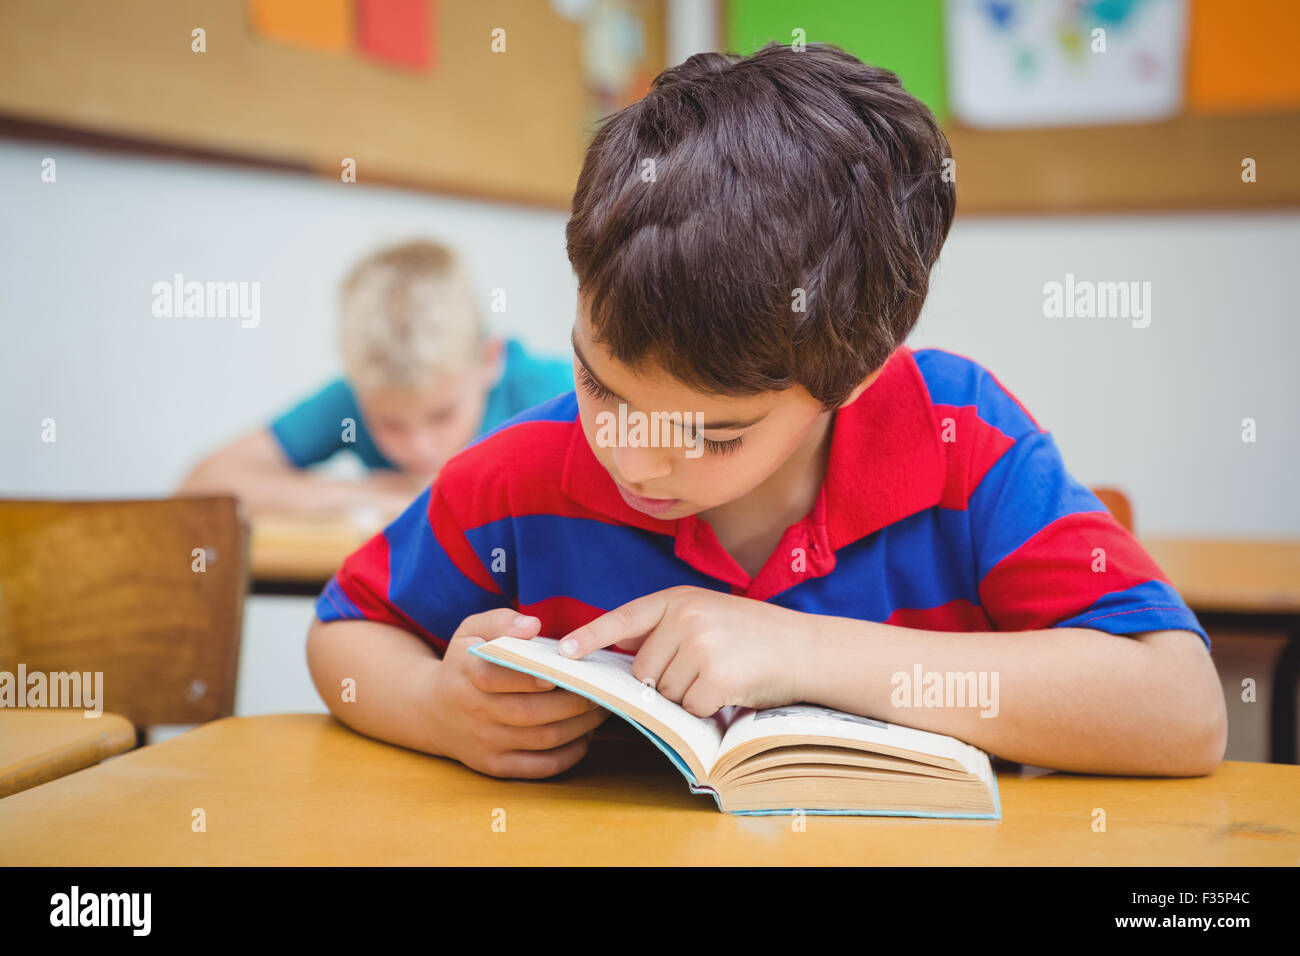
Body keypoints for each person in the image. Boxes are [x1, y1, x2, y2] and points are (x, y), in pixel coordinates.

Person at [306, 45, 1226, 782]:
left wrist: (802, 650)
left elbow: (1182, 714)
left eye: (711, 434)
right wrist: (436, 708)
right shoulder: (529, 469)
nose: (632, 459)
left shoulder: (960, 436)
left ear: (858, 373)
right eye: (600, 384)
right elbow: (345, 632)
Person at [177, 240, 573, 517]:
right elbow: (204, 486)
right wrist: (365, 494)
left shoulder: (554, 393)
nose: (420, 448)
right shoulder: (358, 396)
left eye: (442, 416)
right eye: (390, 424)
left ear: (490, 360)